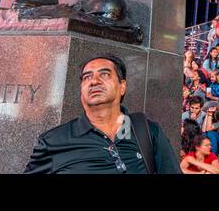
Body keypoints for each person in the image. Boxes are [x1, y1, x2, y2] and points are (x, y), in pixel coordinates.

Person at [25, 54, 178, 173]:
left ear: (122, 86)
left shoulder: (148, 132)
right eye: (87, 77)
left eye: (104, 74)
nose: (94, 81)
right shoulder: (53, 141)